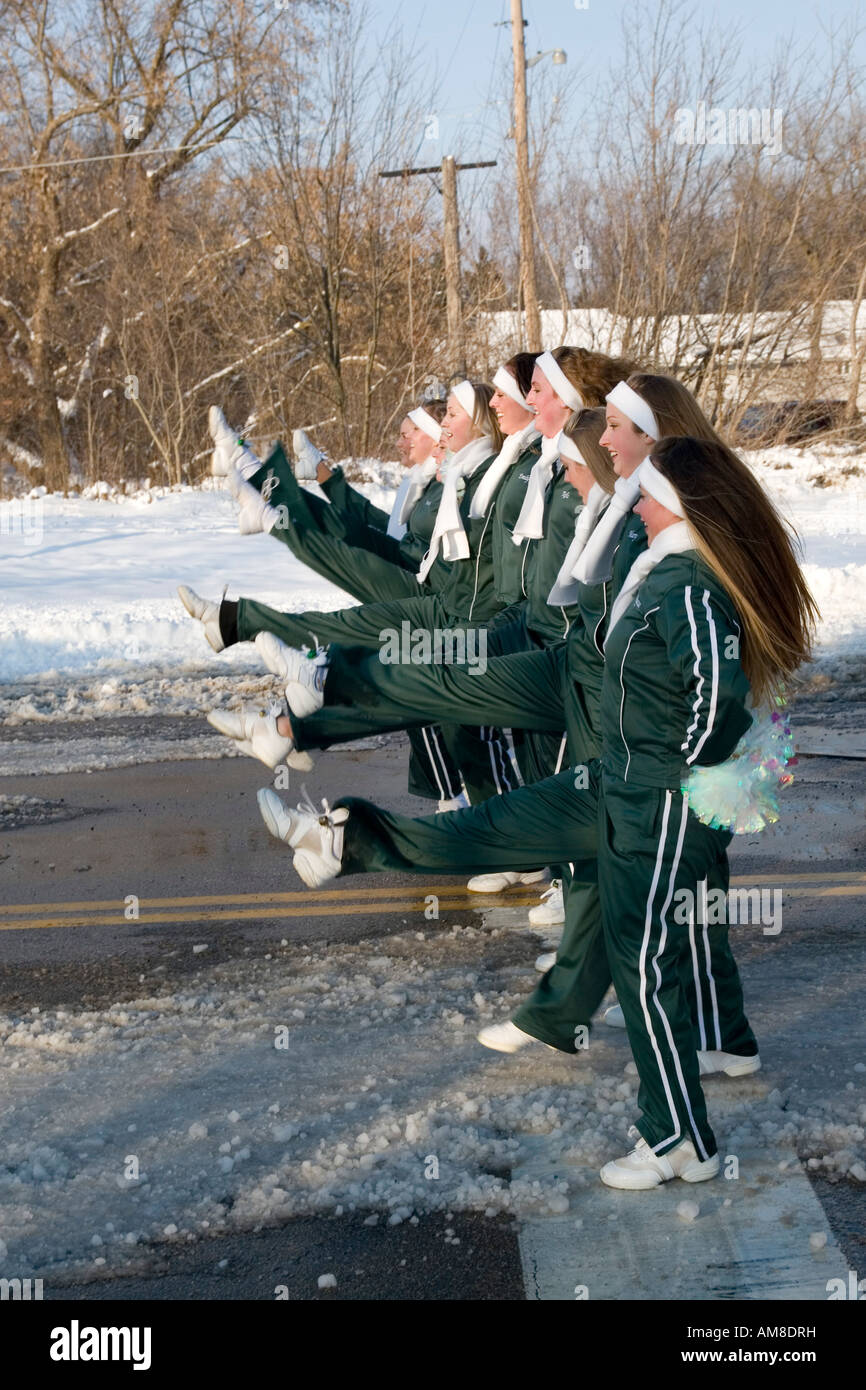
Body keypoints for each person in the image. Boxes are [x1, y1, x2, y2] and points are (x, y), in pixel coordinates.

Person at [254, 433, 816, 1188]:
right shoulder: (664, 569)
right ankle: (350, 843)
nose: (635, 502)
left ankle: (681, 1139)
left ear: (677, 504)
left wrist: (669, 770)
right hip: (612, 787)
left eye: (645, 492)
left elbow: (715, 700)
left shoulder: (685, 582)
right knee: (498, 829)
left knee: (647, 968)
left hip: (650, 802)